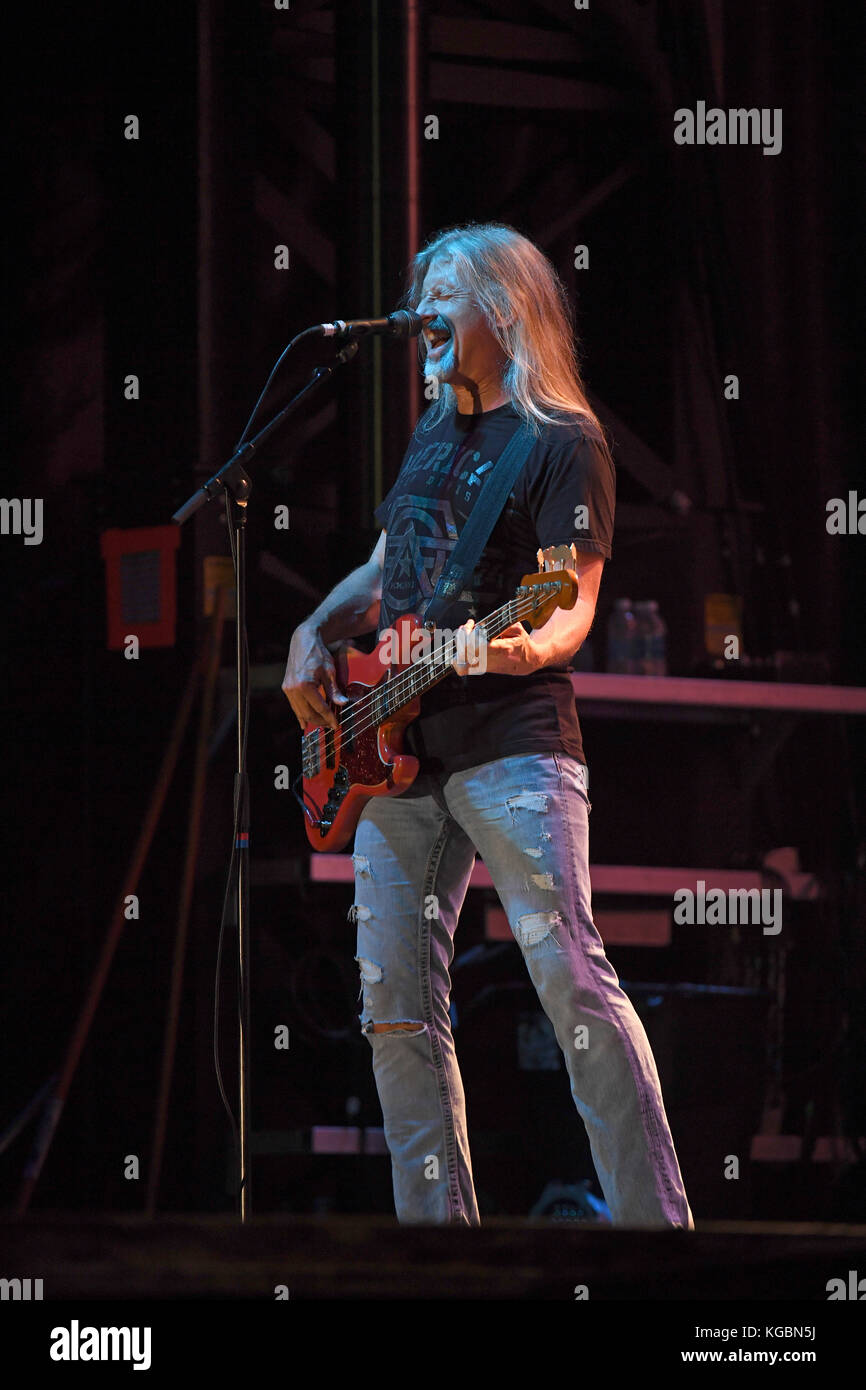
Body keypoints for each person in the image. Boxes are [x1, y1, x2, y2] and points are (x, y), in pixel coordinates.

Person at [283, 222, 692, 1228]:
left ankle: (657, 1239)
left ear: (502, 308)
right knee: (394, 1011)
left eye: (443, 290)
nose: (421, 307)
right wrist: (313, 625)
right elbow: (389, 572)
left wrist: (488, 649)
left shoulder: (561, 441)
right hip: (398, 760)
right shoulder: (432, 433)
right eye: (418, 288)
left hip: (512, 741)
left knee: (568, 983)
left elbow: (567, 607)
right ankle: (439, 1252)